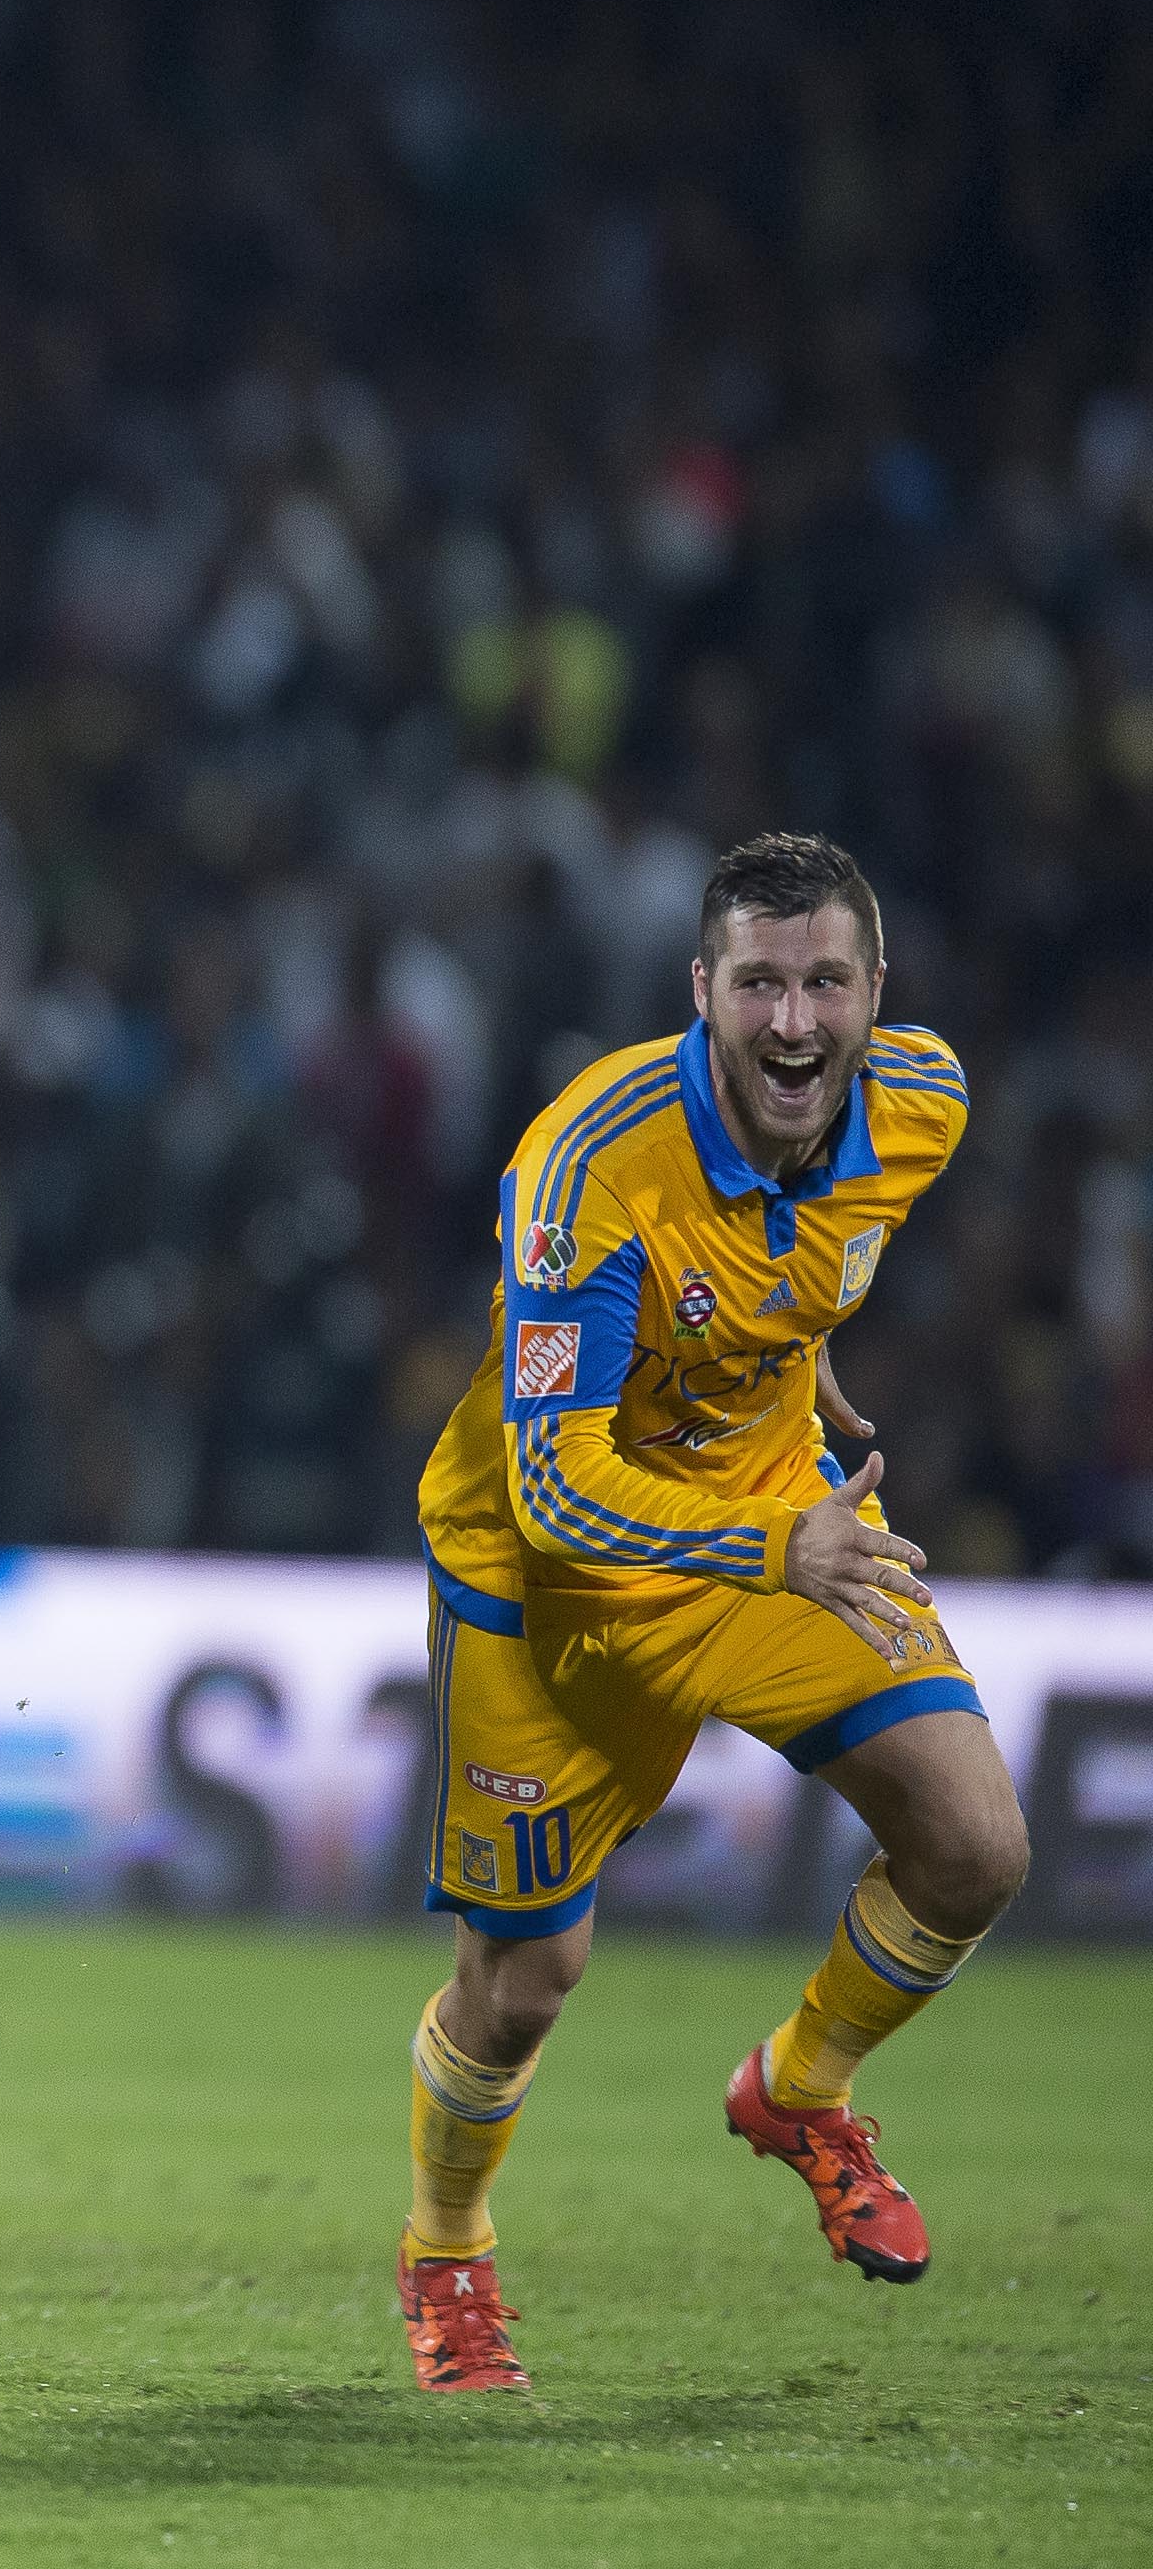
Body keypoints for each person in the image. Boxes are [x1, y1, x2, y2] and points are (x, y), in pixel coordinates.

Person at [398, 830, 1018, 2392]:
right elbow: (557, 1486)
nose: (795, 1023)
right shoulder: (589, 1172)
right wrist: (773, 1552)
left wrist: (803, 1371)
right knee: (528, 1978)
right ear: (703, 991)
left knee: (974, 1845)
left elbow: (791, 1265)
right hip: (551, 1582)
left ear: (878, 992)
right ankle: (447, 2253)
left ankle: (800, 2089)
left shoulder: (923, 1104)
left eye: (825, 983)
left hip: (774, 1517)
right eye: (760, 985)